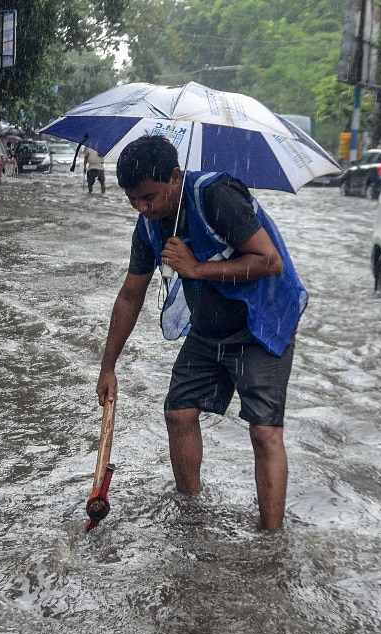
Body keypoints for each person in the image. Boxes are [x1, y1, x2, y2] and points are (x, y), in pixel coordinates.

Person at [95, 134, 307, 530]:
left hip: (260, 322)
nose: (143, 207)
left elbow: (270, 261)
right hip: (208, 329)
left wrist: (196, 269)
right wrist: (108, 366)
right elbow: (130, 295)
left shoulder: (218, 196)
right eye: (133, 200)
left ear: (175, 176)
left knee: (264, 431)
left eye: (149, 196)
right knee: (178, 413)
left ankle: (271, 539)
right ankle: (190, 513)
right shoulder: (150, 226)